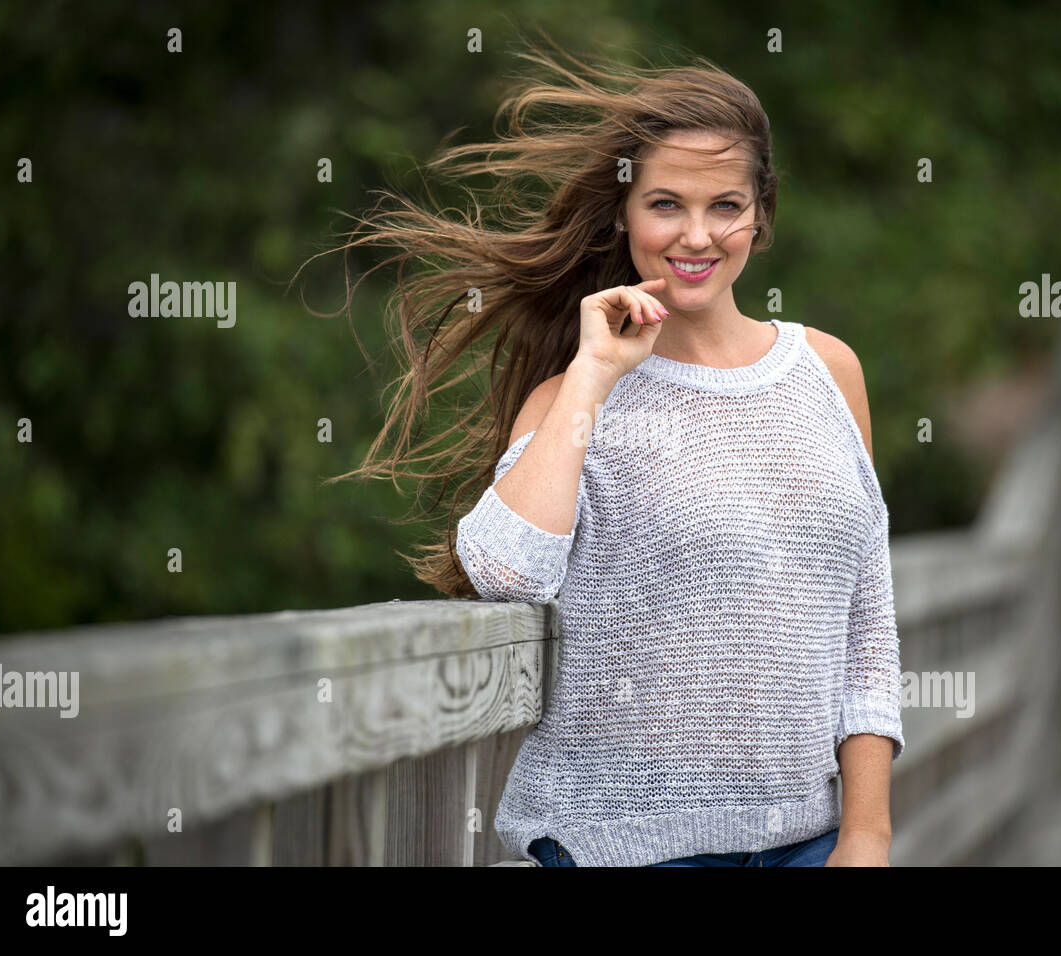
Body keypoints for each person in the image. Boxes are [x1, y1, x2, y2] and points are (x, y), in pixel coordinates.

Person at [319, 38, 904, 867]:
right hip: (619, 846)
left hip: (810, 843)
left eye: (725, 206)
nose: (696, 235)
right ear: (625, 214)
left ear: (762, 213)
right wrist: (594, 374)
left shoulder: (830, 374)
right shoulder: (572, 398)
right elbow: (506, 572)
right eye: (665, 204)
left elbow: (865, 626)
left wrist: (868, 834)